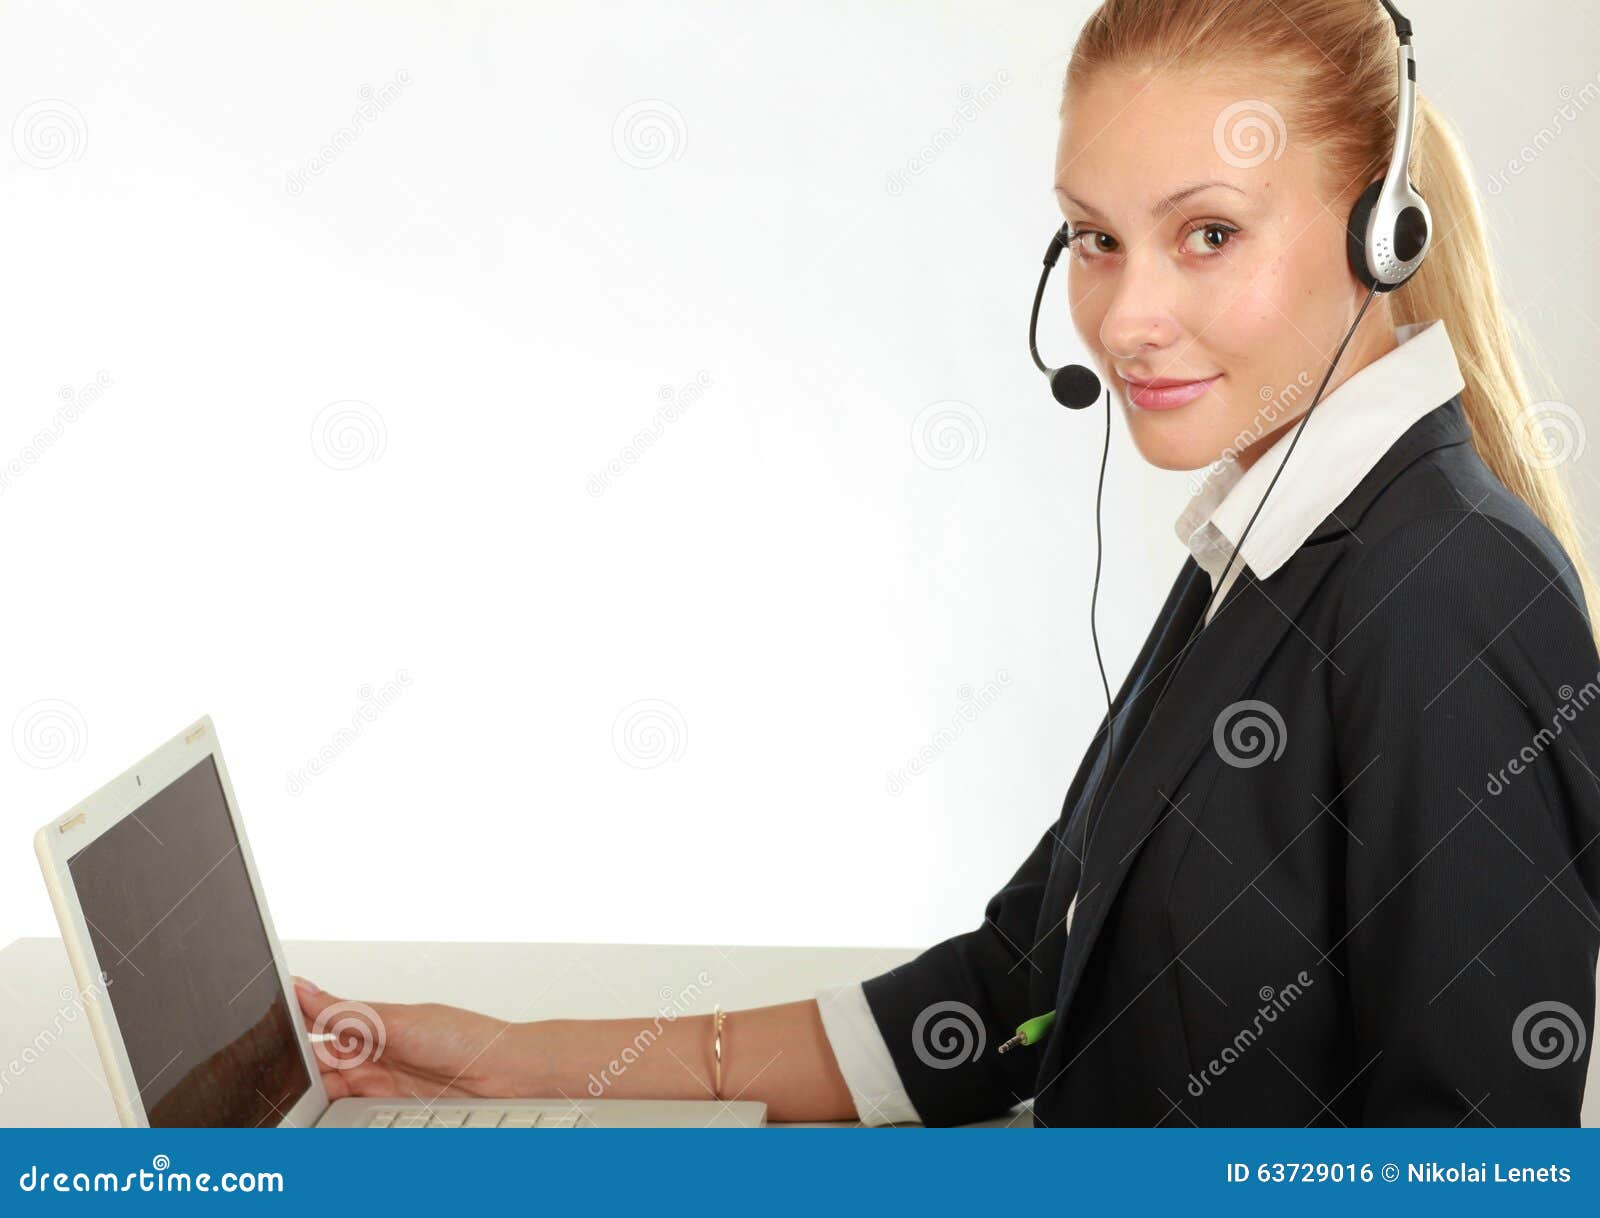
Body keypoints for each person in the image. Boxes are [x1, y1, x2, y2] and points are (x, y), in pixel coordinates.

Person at [294, 0, 1600, 1126]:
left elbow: (1469, 1172)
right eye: (1095, 239)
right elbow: (1012, 992)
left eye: (1208, 233)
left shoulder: (1445, 592)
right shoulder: (1271, 545)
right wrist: (504, 1058)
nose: (1126, 320)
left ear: (1385, 235)